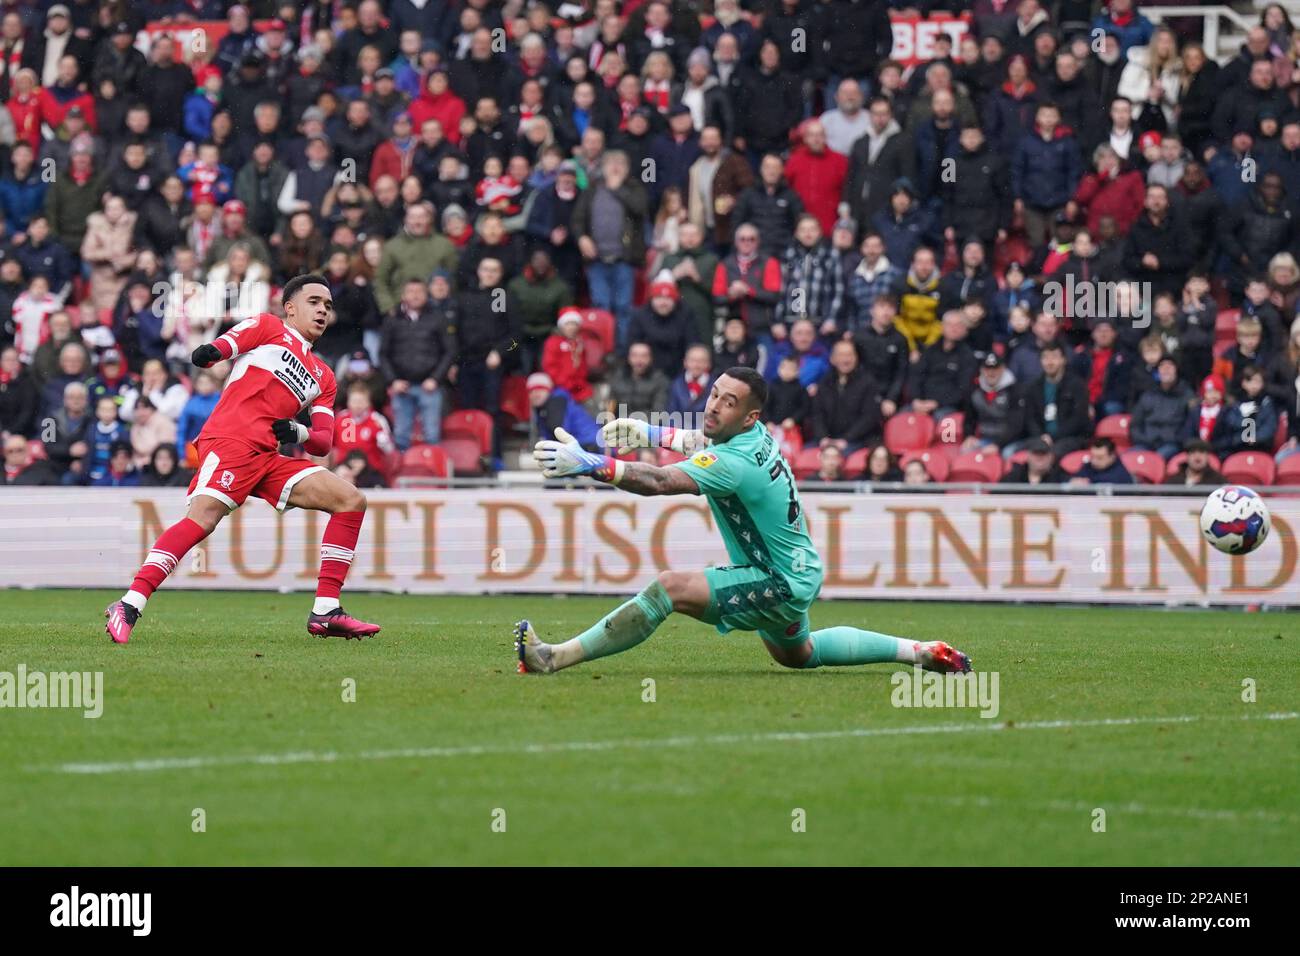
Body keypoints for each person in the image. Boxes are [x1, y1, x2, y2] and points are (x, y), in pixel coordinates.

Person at [520, 366, 971, 675]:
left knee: (670, 588)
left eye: (728, 402)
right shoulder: (754, 435)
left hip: (776, 579)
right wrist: (649, 432)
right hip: (797, 571)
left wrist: (590, 464)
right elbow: (703, 438)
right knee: (799, 656)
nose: (714, 406)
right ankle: (919, 651)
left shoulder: (734, 461)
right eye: (714, 393)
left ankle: (553, 657)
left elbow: (658, 482)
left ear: (750, 415)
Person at [104, 276, 380, 645]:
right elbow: (226, 344)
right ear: (290, 307)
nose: (322, 311)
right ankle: (129, 604)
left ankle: (326, 610)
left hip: (268, 454)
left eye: (328, 307)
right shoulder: (268, 327)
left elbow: (323, 442)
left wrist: (296, 433)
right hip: (232, 439)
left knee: (351, 500)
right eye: (314, 302)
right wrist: (211, 352)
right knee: (202, 519)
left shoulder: (324, 376)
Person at [1000, 437, 1067, 484]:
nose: (1039, 458)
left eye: (1043, 454)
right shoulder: (1016, 474)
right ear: (1028, 456)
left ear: (1051, 457)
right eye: (1036, 454)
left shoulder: (1058, 476)